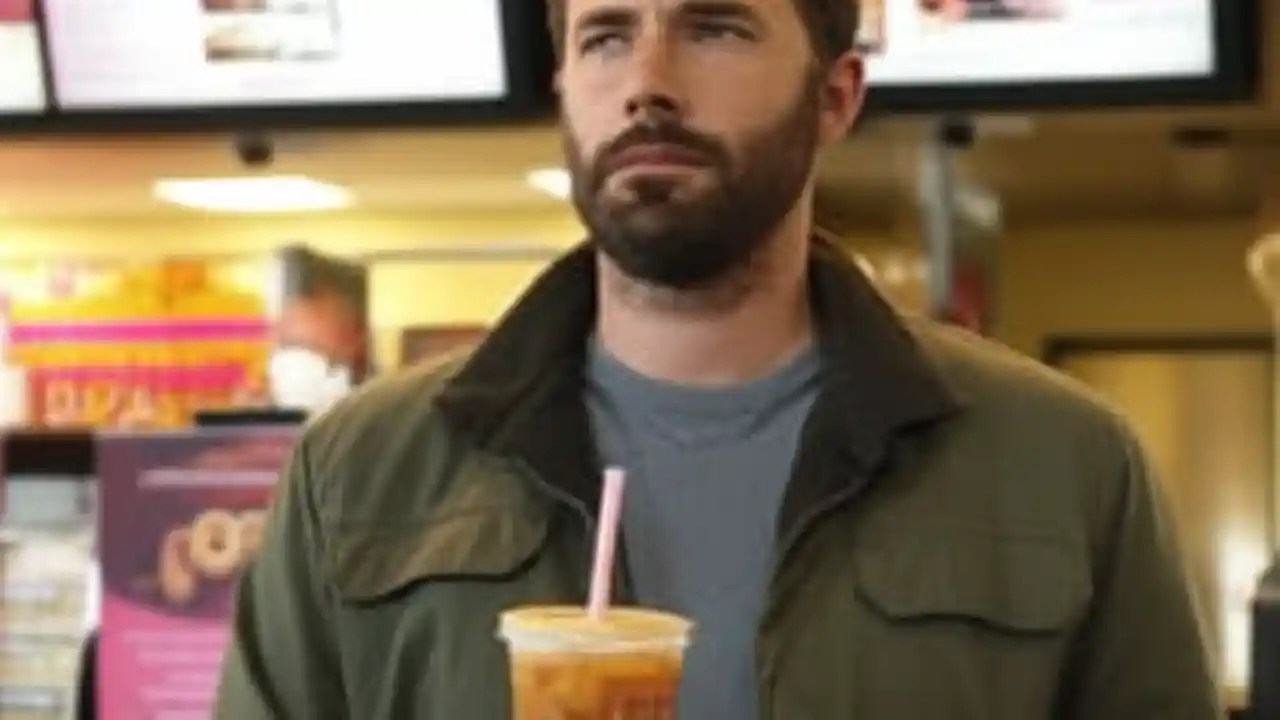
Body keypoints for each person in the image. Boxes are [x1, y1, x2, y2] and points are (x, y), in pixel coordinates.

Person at [215, 0, 1220, 717]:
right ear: (564, 86)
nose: (648, 82)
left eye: (713, 27)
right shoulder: (359, 472)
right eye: (606, 35)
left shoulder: (1061, 462)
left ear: (833, 97)